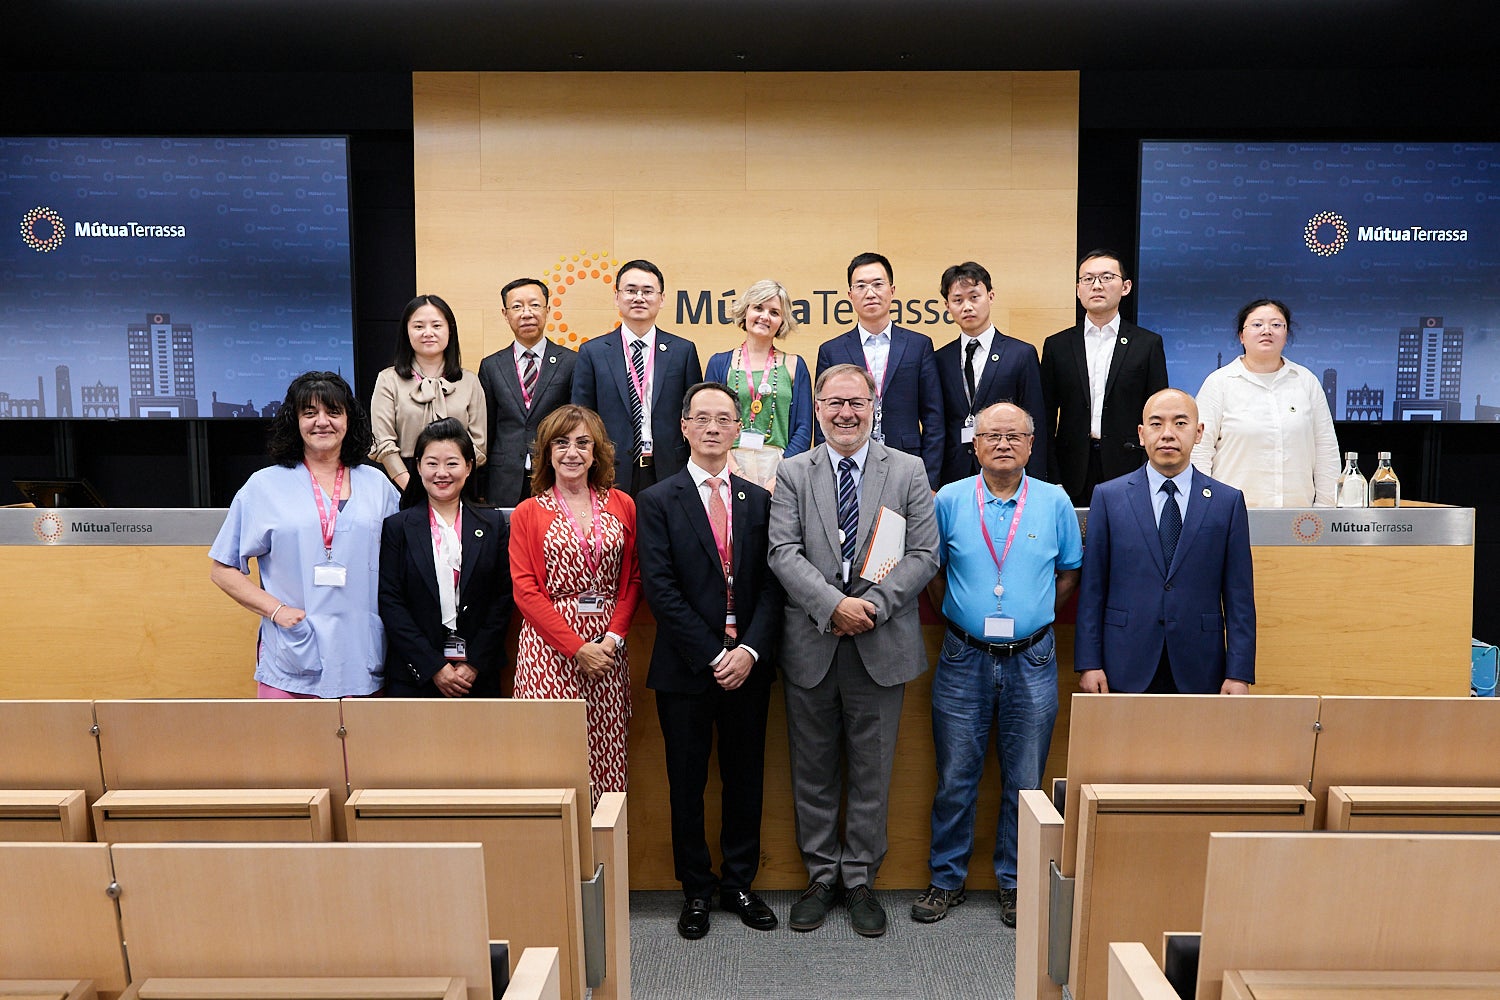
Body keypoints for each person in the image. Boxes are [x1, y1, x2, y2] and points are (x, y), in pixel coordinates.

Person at [768, 363, 940, 938]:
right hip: (812, 642)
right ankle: (821, 875)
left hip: (880, 639)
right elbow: (783, 551)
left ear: (874, 407)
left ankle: (861, 877)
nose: (845, 413)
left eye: (857, 403)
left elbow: (923, 554)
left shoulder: (909, 470)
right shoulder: (793, 471)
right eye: (834, 403)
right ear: (817, 408)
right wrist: (832, 605)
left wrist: (871, 606)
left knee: (873, 768)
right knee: (812, 768)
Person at [913, 402, 1081, 930]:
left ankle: (1014, 882)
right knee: (955, 777)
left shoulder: (1054, 500)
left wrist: (1031, 615)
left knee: (1026, 780)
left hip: (1033, 655)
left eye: (1014, 435)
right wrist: (959, 613)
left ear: (1032, 444)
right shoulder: (949, 500)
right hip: (963, 655)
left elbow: (1069, 573)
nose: (1003, 443)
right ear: (975, 444)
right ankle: (946, 880)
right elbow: (931, 571)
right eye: (991, 435)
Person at [637, 382, 783, 940]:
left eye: (724, 418)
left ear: (737, 426)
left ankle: (739, 884)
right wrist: (713, 653)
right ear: (684, 426)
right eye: (703, 418)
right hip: (687, 669)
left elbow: (774, 585)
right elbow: (660, 587)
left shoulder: (760, 499)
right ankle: (695, 889)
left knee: (746, 780)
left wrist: (747, 651)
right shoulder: (658, 500)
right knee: (687, 782)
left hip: (749, 666)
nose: (714, 428)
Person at [209, 371, 399, 698]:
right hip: (292, 653)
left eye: (333, 412)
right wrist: (275, 610)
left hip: (360, 654)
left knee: (359, 749)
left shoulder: (377, 485)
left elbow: (403, 564)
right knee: (289, 749)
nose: (322, 422)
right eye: (309, 413)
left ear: (349, 420)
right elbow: (222, 569)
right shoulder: (263, 486)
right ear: (294, 422)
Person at [1076, 388, 1255, 695]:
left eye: (1180, 423)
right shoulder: (1109, 497)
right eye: (1157, 424)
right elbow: (1093, 590)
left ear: (1199, 433)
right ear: (1142, 433)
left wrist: (1238, 673)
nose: (1168, 434)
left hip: (1200, 666)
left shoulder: (1227, 502)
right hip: (1123, 663)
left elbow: (1239, 597)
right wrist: (1089, 663)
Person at [509, 405, 642, 805]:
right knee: (551, 764)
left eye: (583, 443)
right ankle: (553, 864)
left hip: (607, 649)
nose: (572, 452)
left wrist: (611, 640)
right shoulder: (527, 512)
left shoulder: (622, 504)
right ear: (546, 452)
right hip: (549, 652)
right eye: (561, 443)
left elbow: (632, 579)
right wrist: (577, 648)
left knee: (607, 763)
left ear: (597, 451)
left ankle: (605, 863)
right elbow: (525, 591)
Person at [378, 418, 513, 698]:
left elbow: (502, 599)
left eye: (452, 463)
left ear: (468, 466)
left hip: (477, 676)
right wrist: (433, 666)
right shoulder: (398, 527)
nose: (442, 473)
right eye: (432, 463)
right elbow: (391, 602)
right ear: (417, 466)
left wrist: (474, 663)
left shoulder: (493, 524)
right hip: (414, 676)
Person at [1040, 250, 1168, 506]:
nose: (1096, 285)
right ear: (1078, 289)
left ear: (1126, 286)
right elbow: (1045, 415)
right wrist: (1051, 475)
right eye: (1088, 279)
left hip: (1130, 466)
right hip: (1072, 469)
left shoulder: (1147, 344)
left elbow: (1158, 413)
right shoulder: (1057, 345)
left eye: (1107, 277)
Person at [1190, 298, 1339, 507]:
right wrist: (1205, 506)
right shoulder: (1219, 383)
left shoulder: (1306, 381)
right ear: (1242, 336)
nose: (1267, 330)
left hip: (1298, 520)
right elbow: (1199, 450)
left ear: (1286, 335)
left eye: (1277, 325)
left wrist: (1324, 508)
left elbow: (1326, 450)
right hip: (1231, 517)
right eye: (1257, 324)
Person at [572, 259, 703, 495]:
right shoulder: (593, 352)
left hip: (668, 469)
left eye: (647, 291)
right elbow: (582, 416)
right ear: (617, 298)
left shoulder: (683, 351)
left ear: (661, 299)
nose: (639, 297)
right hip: (610, 470)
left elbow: (695, 414)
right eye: (631, 291)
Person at [815, 252, 944, 489]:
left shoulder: (919, 345)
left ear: (892, 290)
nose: (870, 292)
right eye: (861, 286)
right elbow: (822, 418)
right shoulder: (831, 351)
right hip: (848, 462)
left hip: (907, 461)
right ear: (850, 295)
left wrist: (930, 481)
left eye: (878, 284)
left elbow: (933, 417)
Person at [934, 261, 1047, 485]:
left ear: (991, 296)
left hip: (1009, 472)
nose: (967, 306)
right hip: (954, 474)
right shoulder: (940, 359)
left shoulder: (1020, 354)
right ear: (947, 306)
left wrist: (1036, 480)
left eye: (974, 297)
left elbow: (1036, 420)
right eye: (958, 300)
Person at [703, 279, 813, 491]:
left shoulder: (794, 366)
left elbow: (804, 428)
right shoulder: (719, 363)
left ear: (782, 321)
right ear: (745, 311)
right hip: (729, 462)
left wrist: (781, 475)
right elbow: (710, 421)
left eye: (774, 312)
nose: (765, 316)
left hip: (780, 465)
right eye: (758, 308)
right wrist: (733, 469)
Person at [370, 294, 488, 492]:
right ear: (406, 331)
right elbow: (383, 443)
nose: (428, 332)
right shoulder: (388, 379)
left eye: (436, 325)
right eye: (418, 326)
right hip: (403, 482)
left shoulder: (469, 381)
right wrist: (413, 488)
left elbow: (479, 446)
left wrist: (450, 483)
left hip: (458, 484)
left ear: (450, 330)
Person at [477, 277, 578, 508]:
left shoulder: (571, 361)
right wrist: (479, 485)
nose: (526, 313)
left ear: (547, 309)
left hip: (555, 473)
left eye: (534, 305)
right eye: (517, 307)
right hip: (503, 478)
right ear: (505, 314)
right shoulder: (492, 366)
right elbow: (487, 428)